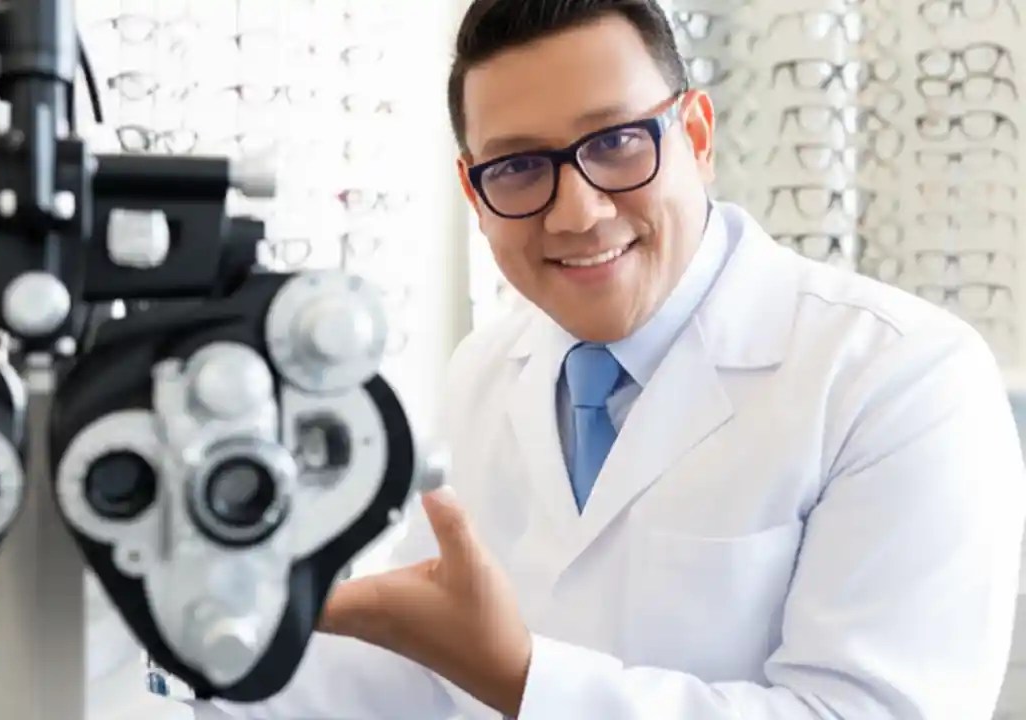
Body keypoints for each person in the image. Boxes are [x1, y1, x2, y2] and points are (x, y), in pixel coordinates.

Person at [193, 0, 1026, 717]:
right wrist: (164, 653)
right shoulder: (489, 367)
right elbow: (416, 675)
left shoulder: (903, 378)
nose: (578, 212)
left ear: (695, 134)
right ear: (474, 191)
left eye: (618, 143)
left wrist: (522, 680)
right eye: (519, 168)